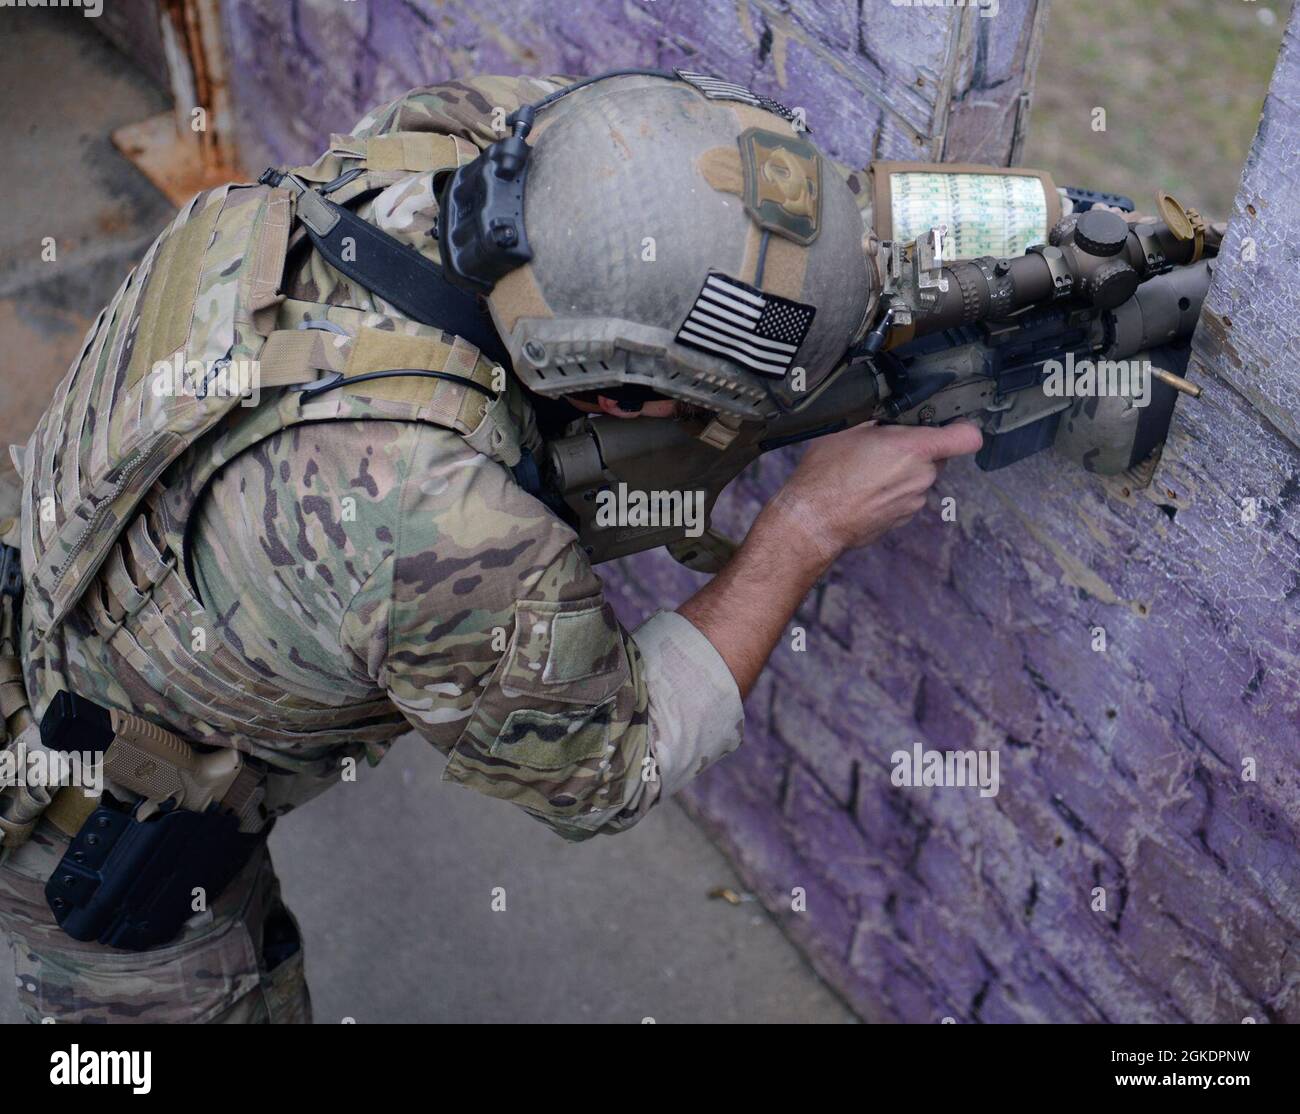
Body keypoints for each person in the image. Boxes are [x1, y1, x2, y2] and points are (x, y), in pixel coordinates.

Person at [0, 71, 980, 1023]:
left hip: (49, 587)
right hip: (94, 845)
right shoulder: (442, 527)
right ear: (610, 397)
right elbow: (608, 771)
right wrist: (802, 530)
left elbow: (734, 215)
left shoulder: (455, 135)